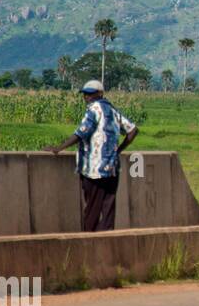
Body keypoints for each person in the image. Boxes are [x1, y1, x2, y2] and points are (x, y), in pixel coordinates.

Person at [43, 79, 139, 232]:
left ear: (99, 94)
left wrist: (58, 148)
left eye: (90, 94)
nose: (86, 97)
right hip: (112, 168)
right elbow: (133, 130)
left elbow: (81, 132)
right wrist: (118, 151)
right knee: (108, 207)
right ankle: (107, 239)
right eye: (85, 94)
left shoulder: (94, 109)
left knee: (92, 207)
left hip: (94, 169)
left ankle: (89, 240)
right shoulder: (112, 110)